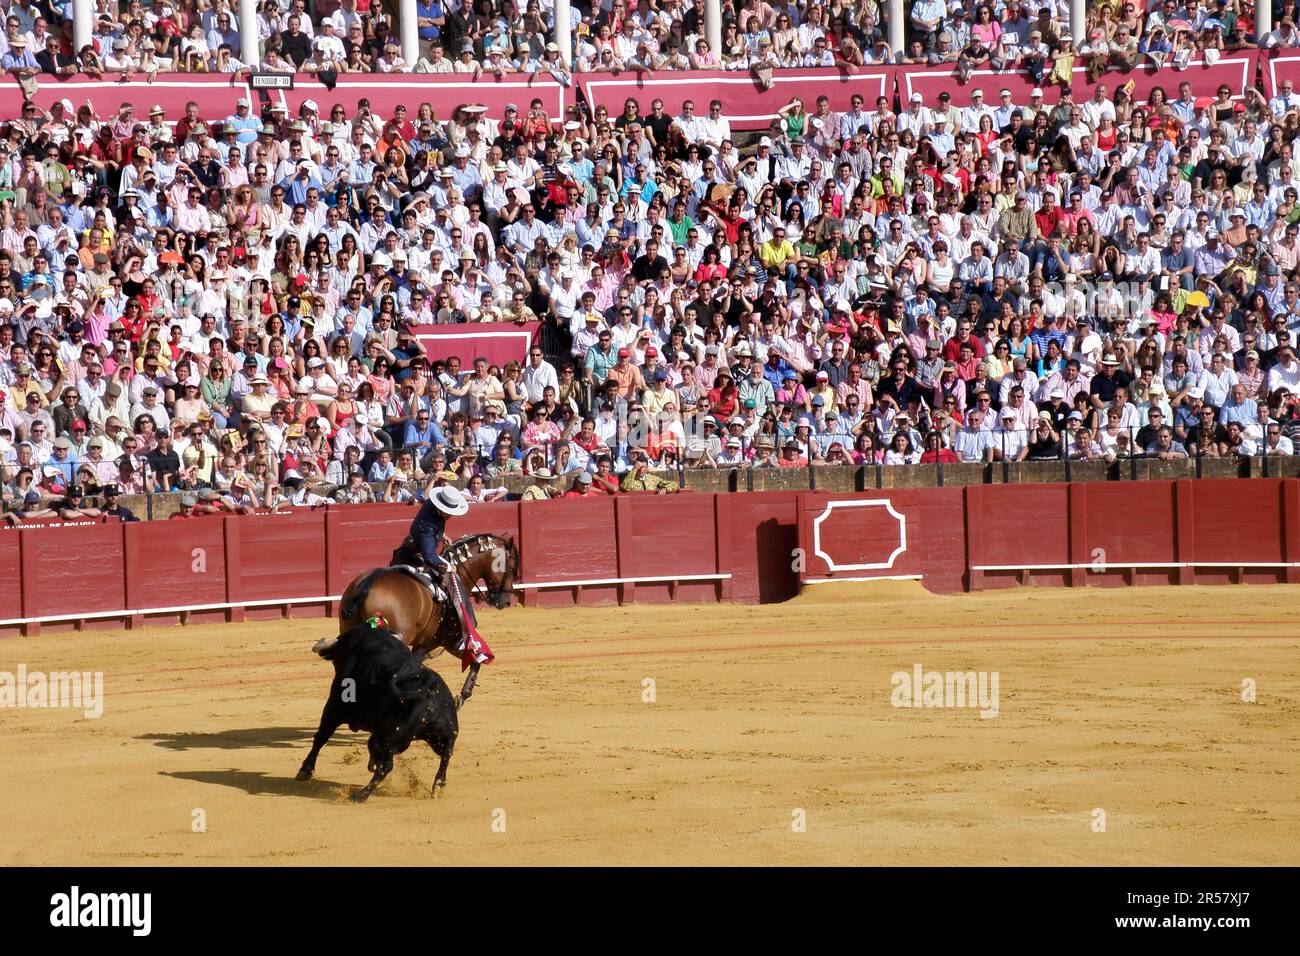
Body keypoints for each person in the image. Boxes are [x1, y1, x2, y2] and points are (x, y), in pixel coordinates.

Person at [404, 480, 488, 658]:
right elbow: (429, 557)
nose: (450, 516)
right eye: (448, 512)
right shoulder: (429, 525)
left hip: (408, 551)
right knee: (453, 583)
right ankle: (454, 631)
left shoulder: (431, 507)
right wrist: (449, 566)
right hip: (417, 559)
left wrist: (442, 536)